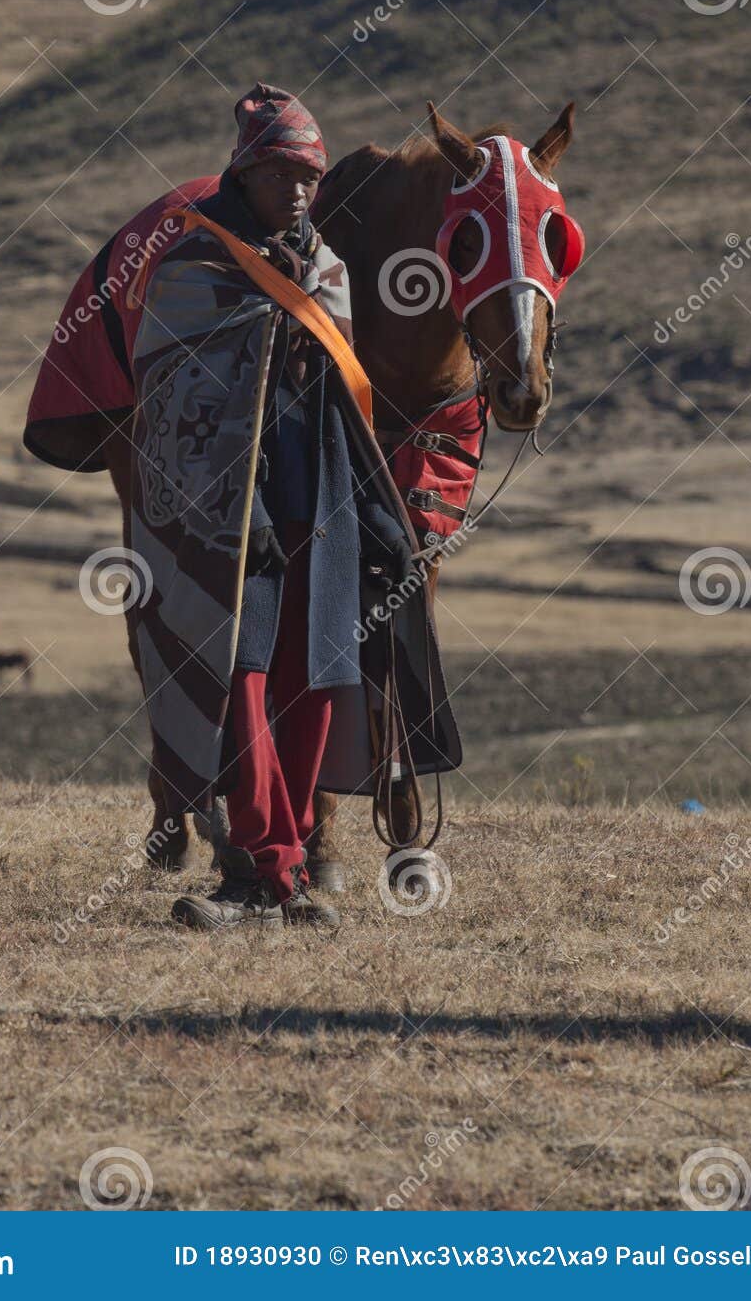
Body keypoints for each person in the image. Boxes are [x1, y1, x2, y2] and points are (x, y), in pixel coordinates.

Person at [129, 83, 460, 930]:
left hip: (318, 491)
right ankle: (255, 865)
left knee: (318, 673)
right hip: (227, 505)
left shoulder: (327, 271)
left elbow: (342, 391)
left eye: (311, 175)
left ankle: (294, 867)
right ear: (245, 173)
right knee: (237, 677)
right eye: (283, 173)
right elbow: (167, 393)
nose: (301, 190)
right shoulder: (193, 268)